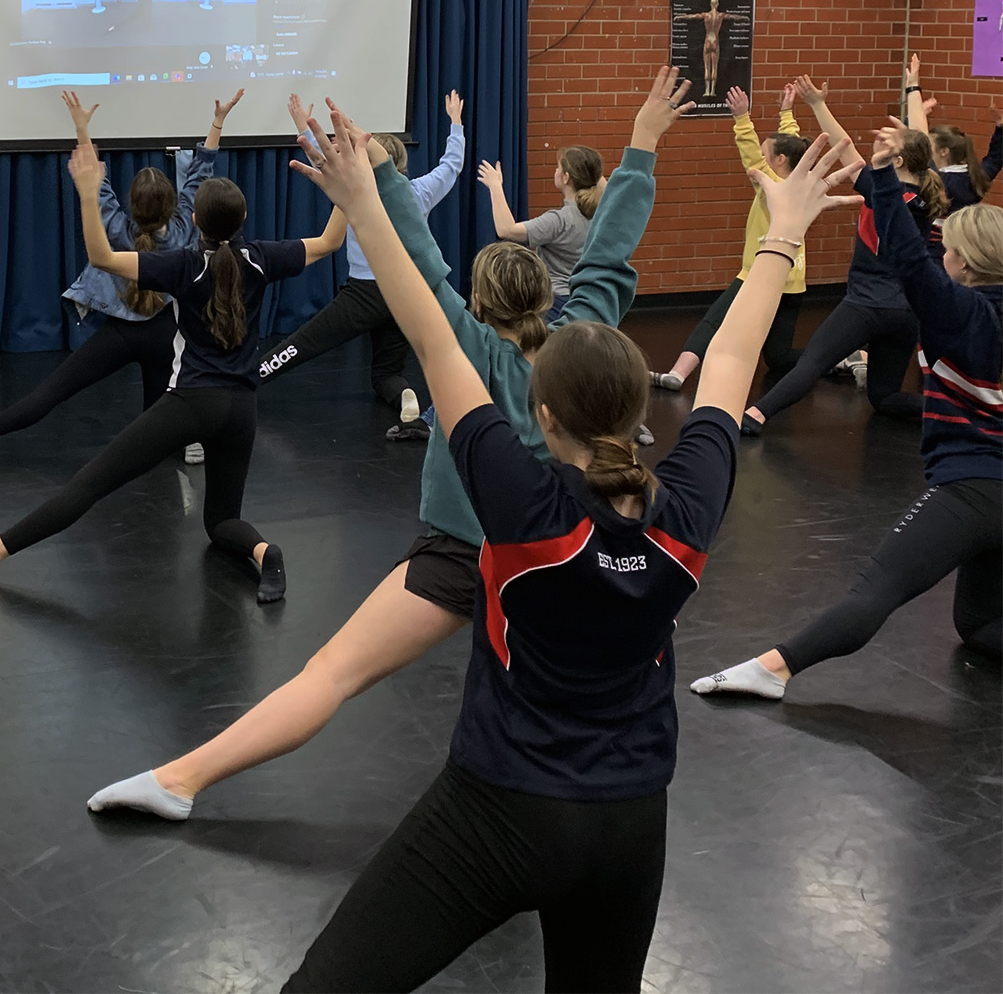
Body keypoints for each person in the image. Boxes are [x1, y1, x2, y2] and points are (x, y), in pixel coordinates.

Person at [272, 93, 861, 994]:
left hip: (499, 809)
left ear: (543, 417)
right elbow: (730, 360)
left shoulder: (521, 504)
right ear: (639, 407)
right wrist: (783, 233)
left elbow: (431, 326)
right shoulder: (686, 507)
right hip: (631, 825)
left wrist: (365, 199)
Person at [87, 73, 674, 823]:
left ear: (480, 301)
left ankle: (181, 779)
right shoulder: (576, 346)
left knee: (331, 672)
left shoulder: (468, 349)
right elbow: (607, 258)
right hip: (560, 549)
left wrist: (378, 176)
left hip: (463, 555)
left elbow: (422, 266)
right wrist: (643, 145)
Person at [0, 141, 348, 603]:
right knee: (223, 521)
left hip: (191, 404)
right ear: (242, 220)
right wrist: (347, 191)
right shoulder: (262, 258)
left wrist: (89, 194)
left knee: (89, 484)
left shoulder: (185, 266)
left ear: (196, 223)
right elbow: (330, 242)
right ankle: (265, 552)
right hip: (242, 410)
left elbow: (103, 258)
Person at [693, 122, 1002, 701]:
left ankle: (774, 670)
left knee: (876, 588)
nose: (941, 254)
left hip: (972, 488)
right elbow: (919, 253)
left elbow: (909, 259)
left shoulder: (961, 314)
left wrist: (881, 176)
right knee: (978, 623)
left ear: (963, 262)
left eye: (948, 249)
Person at [0, 91, 239, 467]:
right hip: (164, 335)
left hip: (122, 333)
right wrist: (218, 121)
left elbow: (95, 183)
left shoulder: (115, 227)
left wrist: (81, 128)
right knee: (164, 409)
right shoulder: (184, 227)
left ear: (133, 204)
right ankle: (189, 440)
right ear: (175, 205)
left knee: (54, 389)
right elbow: (201, 170)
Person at [741, 71, 943, 436]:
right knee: (884, 397)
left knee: (812, 363)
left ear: (897, 162)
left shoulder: (881, 192)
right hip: (906, 312)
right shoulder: (927, 194)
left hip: (866, 305)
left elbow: (843, 147)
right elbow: (919, 145)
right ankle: (961, 410)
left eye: (888, 145)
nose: (877, 146)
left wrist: (817, 105)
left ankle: (754, 415)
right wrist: (913, 90)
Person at [256, 91, 466, 436]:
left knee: (305, 342)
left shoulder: (357, 192)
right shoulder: (419, 191)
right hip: (406, 293)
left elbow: (325, 160)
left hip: (366, 293)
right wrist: (455, 123)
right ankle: (405, 394)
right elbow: (451, 165)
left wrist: (302, 126)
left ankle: (249, 377)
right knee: (385, 373)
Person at [651, 83, 809, 392]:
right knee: (779, 357)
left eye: (766, 153)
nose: (761, 156)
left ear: (778, 161)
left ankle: (677, 374)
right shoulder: (801, 181)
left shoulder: (770, 188)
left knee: (714, 320)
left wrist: (742, 119)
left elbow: (754, 161)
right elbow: (794, 149)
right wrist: (786, 113)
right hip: (793, 284)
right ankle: (842, 357)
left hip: (760, 275)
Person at [476, 144, 602, 323]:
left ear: (566, 178)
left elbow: (506, 229)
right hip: (588, 300)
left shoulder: (559, 220)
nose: (555, 171)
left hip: (558, 303)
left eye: (558, 167)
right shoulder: (602, 212)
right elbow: (599, 180)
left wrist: (495, 186)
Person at [673, 0, 749, 99]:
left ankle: (706, 91)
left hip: (708, 40)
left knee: (707, 67)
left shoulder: (706, 15)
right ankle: (712, 91)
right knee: (714, 67)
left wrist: (680, 17)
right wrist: (744, 18)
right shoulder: (720, 15)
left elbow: (693, 16)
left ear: (710, 4)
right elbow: (733, 17)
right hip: (715, 41)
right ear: (717, 4)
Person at [929, 111, 1001, 212]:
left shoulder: (941, 180)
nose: (925, 148)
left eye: (928, 145)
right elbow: (994, 159)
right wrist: (1001, 131)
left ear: (944, 151)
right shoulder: (976, 175)